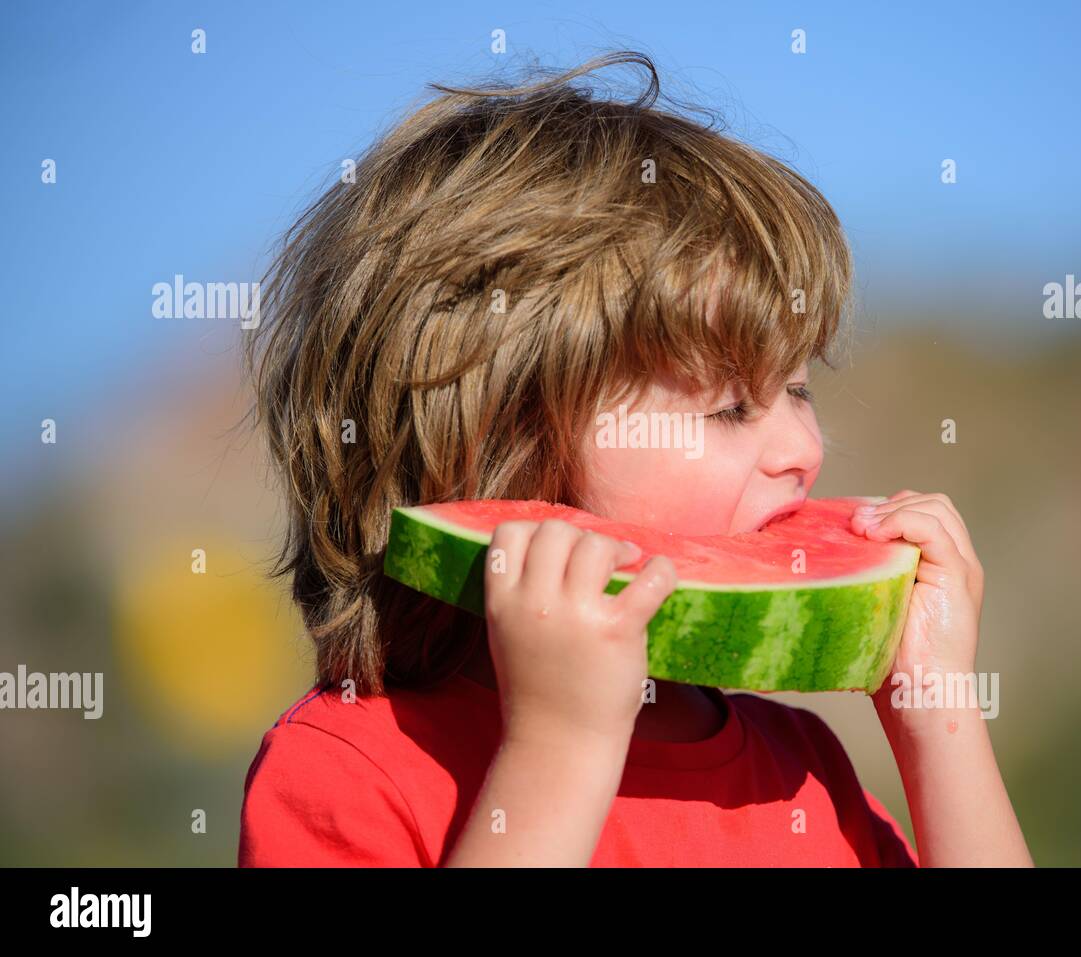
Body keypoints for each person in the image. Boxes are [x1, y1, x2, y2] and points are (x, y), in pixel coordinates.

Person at [237, 51, 1032, 868]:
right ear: (501, 445)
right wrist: (559, 748)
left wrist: (938, 715)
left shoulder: (803, 769)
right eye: (727, 408)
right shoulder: (350, 769)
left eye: (798, 390)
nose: (804, 451)